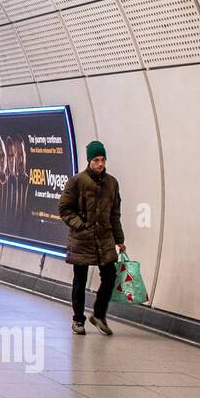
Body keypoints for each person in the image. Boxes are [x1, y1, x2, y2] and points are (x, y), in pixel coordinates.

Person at [59, 140, 125, 336]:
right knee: (80, 279)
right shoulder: (76, 182)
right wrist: (80, 225)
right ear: (89, 161)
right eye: (96, 160)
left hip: (104, 238)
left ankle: (98, 314)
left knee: (110, 277)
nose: (100, 164)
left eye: (103, 159)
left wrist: (119, 238)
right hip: (82, 238)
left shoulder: (112, 183)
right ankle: (78, 320)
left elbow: (115, 213)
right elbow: (64, 209)